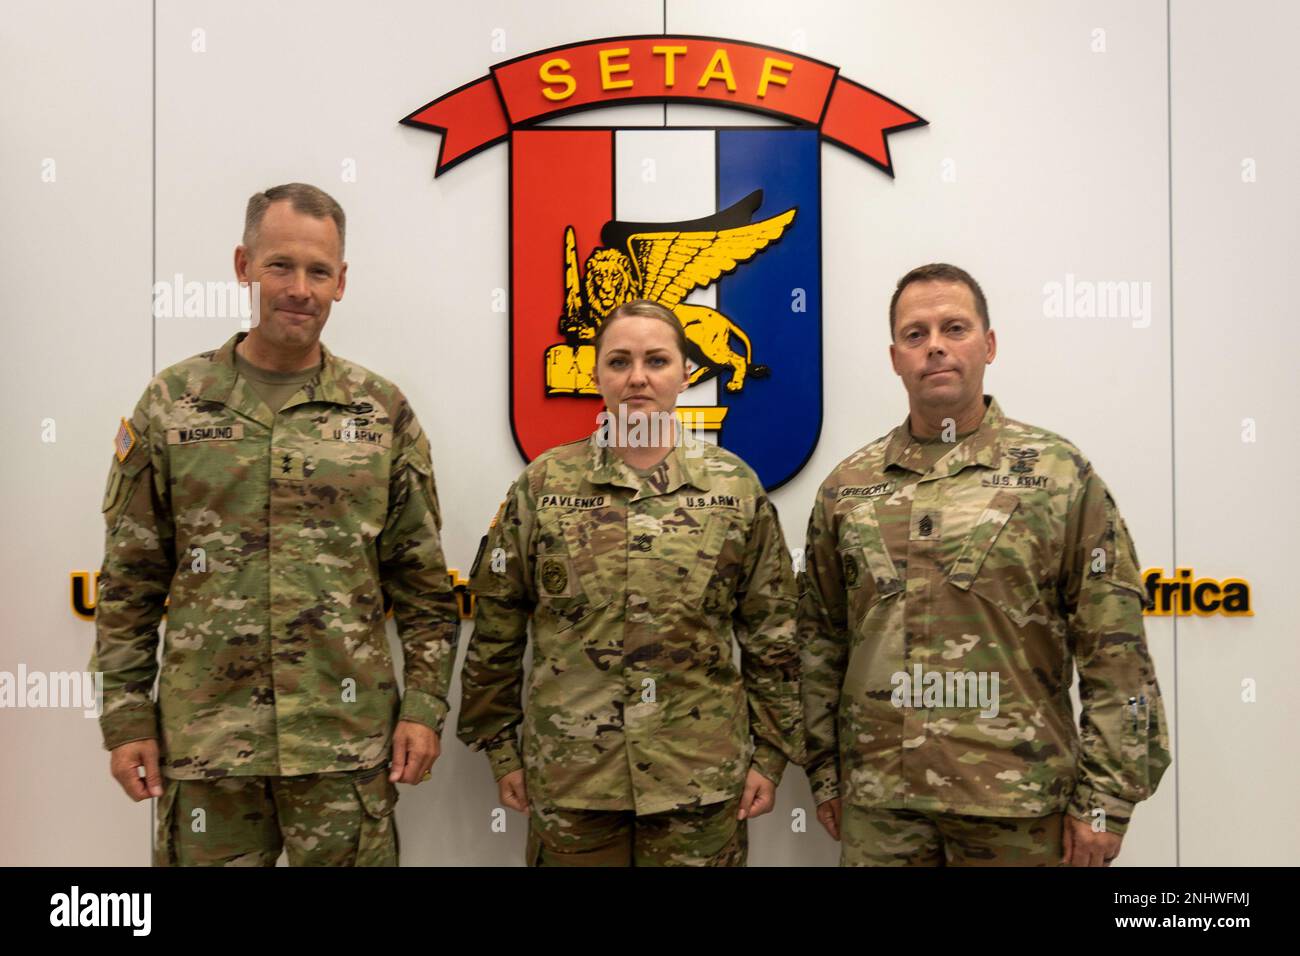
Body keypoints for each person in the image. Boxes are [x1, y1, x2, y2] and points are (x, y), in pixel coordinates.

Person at [91, 183, 458, 866]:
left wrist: (423, 709)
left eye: (319, 271)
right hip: (208, 750)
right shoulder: (173, 405)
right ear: (243, 265)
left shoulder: (380, 412)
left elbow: (425, 591)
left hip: (344, 749)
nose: (299, 288)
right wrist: (126, 716)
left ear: (341, 281)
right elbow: (128, 584)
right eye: (279, 266)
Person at [799, 263, 1170, 867]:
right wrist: (824, 773)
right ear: (896, 358)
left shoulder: (1056, 475)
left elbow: (1115, 648)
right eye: (915, 335)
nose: (936, 346)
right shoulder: (849, 487)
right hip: (881, 806)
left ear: (989, 345)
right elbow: (818, 641)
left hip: (1018, 804)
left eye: (955, 328)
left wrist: (1106, 798)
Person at [459, 299, 802, 866]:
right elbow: (497, 628)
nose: (637, 377)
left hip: (699, 784)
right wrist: (501, 752)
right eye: (619, 361)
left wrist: (770, 756)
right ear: (595, 375)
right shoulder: (544, 486)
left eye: (657, 360)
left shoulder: (734, 488)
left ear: (686, 373)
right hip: (573, 785)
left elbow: (775, 637)